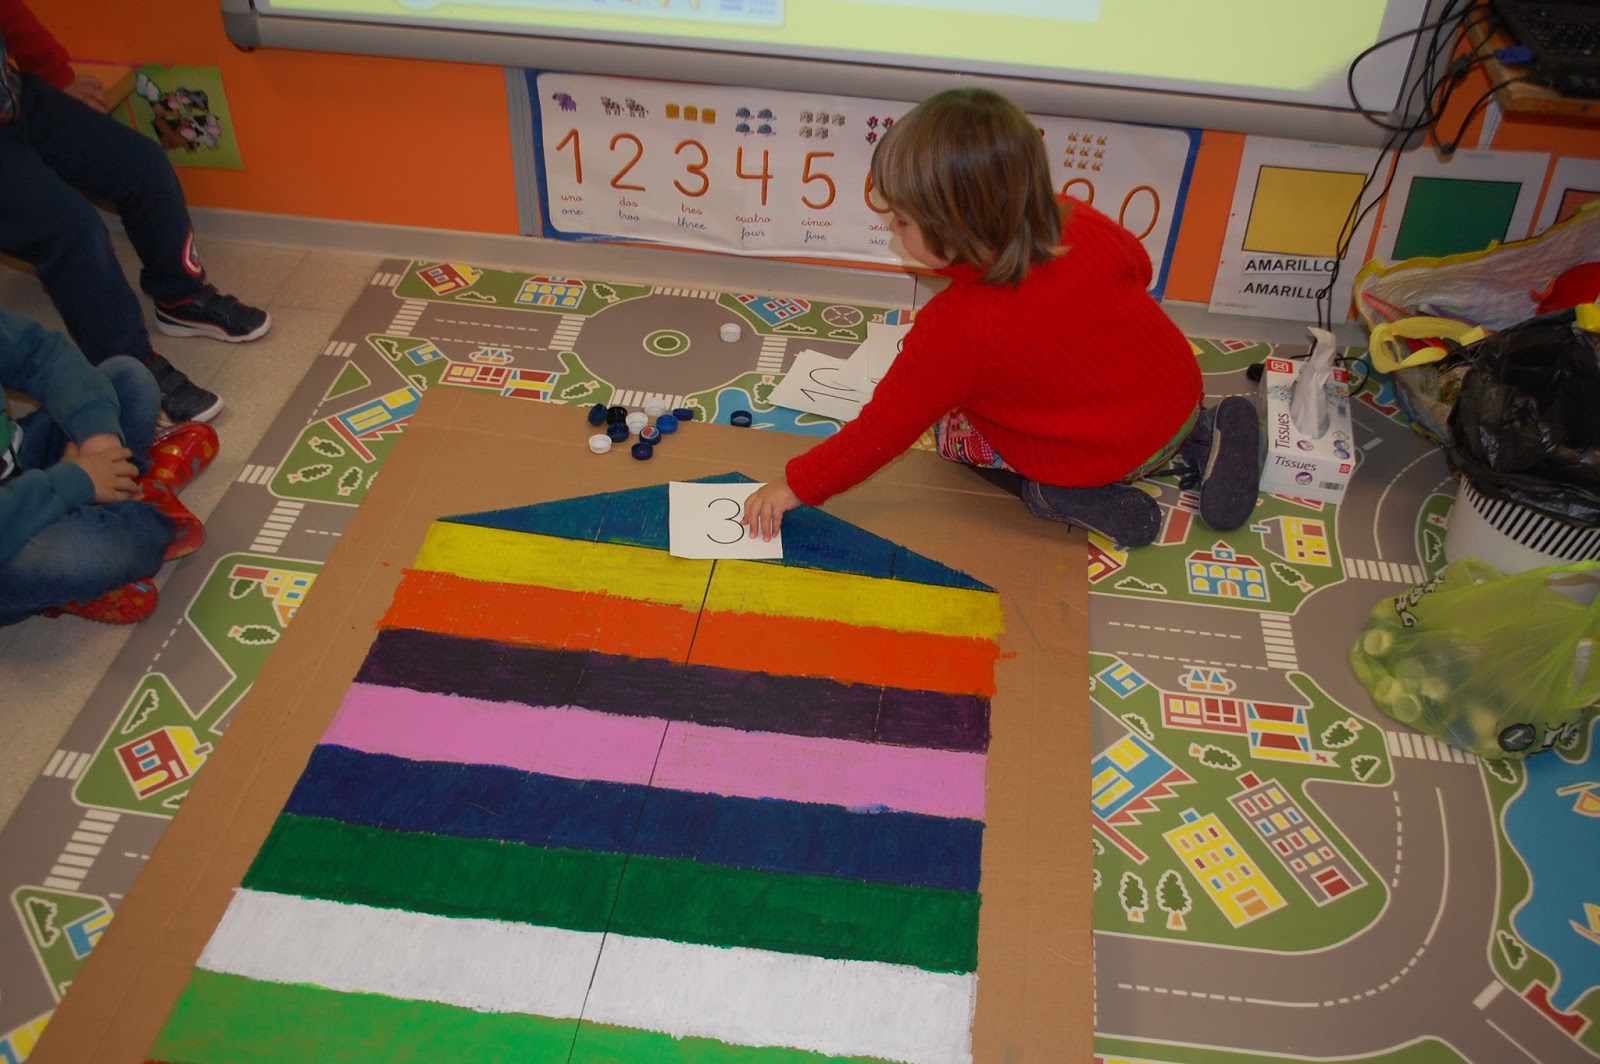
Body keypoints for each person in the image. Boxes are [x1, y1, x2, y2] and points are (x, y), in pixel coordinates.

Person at [741, 87, 1259, 547]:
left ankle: (1063, 495)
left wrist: (795, 484)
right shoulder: (1074, 214)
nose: (891, 231)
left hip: (1108, 459)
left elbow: (882, 431)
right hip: (1180, 395)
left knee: (952, 436)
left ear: (955, 226)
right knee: (1107, 379)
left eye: (902, 220)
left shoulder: (956, 329)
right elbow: (1138, 270)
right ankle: (1206, 432)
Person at [0, 0, 270, 425]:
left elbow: (10, 14)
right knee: (71, 229)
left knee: (142, 164)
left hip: (15, 99)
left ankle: (180, 296)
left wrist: (56, 78)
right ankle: (129, 370)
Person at [0, 309, 218, 625]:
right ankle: (142, 514)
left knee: (129, 378)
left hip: (24, 470)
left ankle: (114, 505)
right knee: (74, 557)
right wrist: (75, 479)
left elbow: (43, 355)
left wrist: (97, 439)